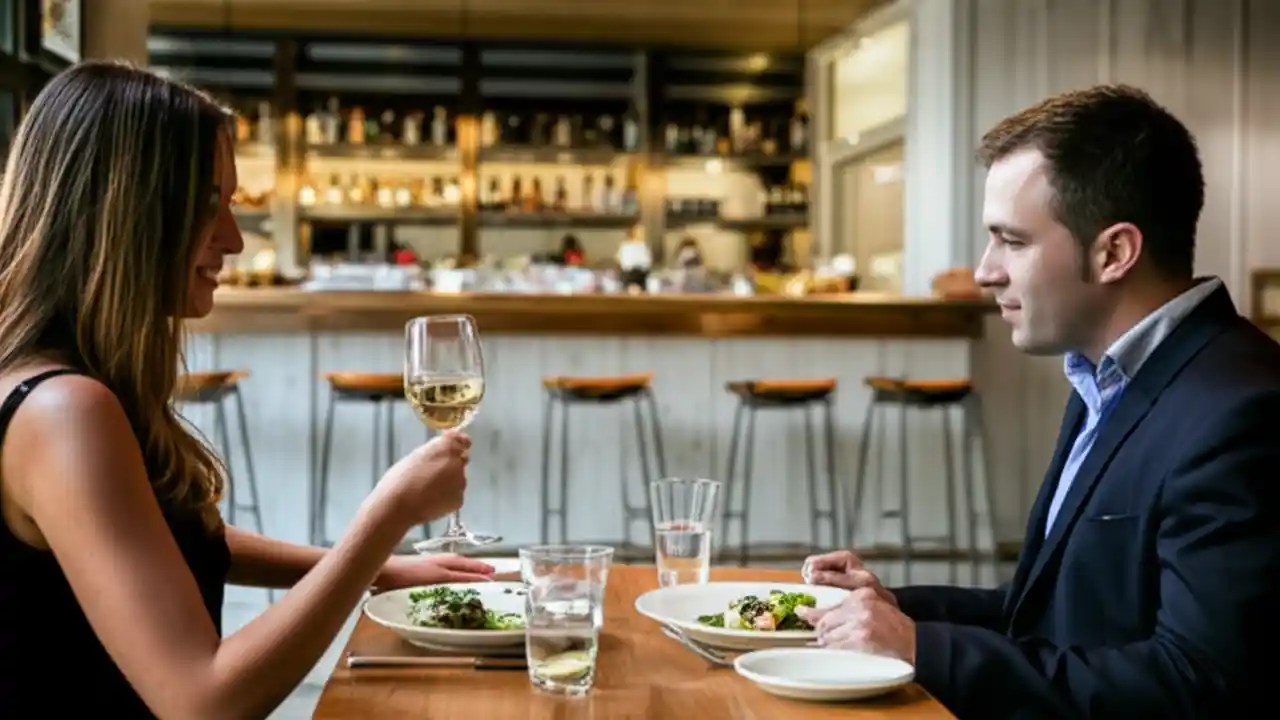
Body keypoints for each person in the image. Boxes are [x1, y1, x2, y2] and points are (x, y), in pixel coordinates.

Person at [0, 61, 494, 717]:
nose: (233, 238)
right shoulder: (67, 412)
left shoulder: (56, 381)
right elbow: (206, 701)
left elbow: (172, 541)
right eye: (209, 205)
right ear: (124, 211)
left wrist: (383, 570)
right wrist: (385, 518)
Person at [799, 84, 1280, 719]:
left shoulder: (1241, 410)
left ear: (1114, 252)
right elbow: (1057, 618)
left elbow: (1198, 684)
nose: (983, 271)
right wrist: (894, 610)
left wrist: (922, 649)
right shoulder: (1107, 378)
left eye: (1012, 241)